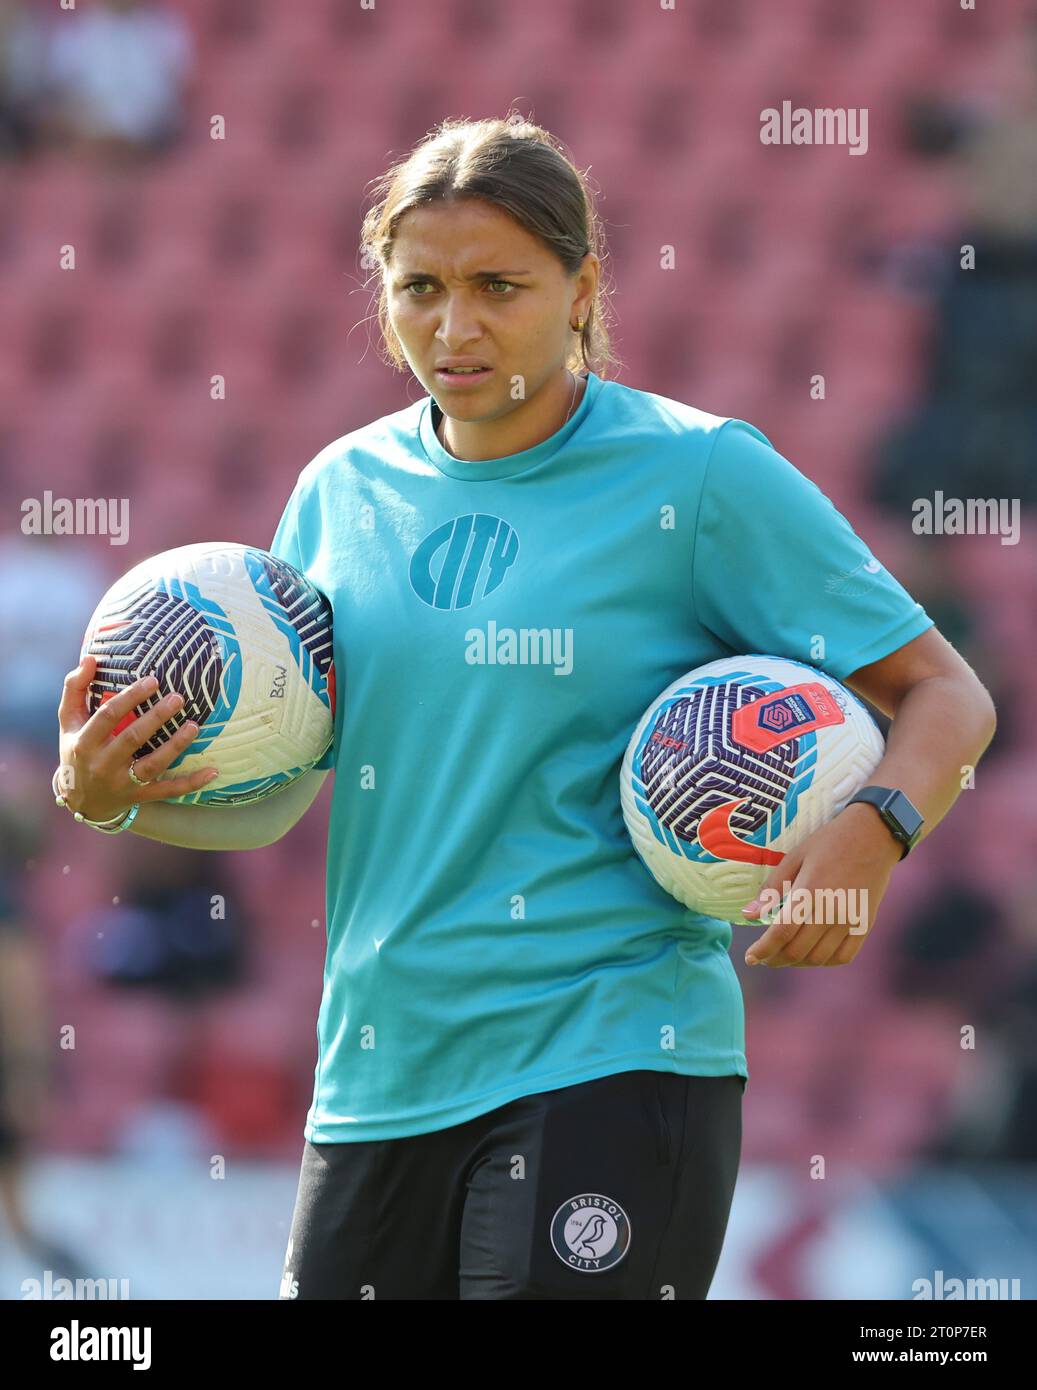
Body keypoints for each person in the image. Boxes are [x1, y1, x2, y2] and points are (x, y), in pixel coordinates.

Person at [55, 112, 997, 1300]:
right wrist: (109, 799)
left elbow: (943, 695)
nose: (453, 326)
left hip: (608, 1055)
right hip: (378, 1075)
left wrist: (868, 837)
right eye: (419, 287)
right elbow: (277, 803)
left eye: (498, 285)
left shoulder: (696, 473)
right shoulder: (338, 492)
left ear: (580, 284)